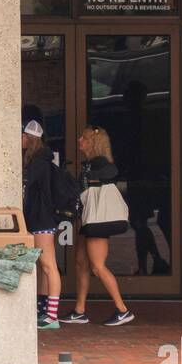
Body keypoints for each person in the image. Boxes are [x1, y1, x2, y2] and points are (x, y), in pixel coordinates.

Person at [61, 126, 134, 326]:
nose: (79, 140)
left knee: (97, 266)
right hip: (90, 218)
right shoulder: (89, 164)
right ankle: (79, 310)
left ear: (92, 142)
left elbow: (112, 172)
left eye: (83, 138)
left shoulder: (100, 163)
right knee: (81, 263)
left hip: (98, 220)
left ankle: (122, 309)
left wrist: (92, 176)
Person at [21, 121, 62, 329]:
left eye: (21, 136)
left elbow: (31, 194)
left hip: (42, 220)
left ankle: (52, 315)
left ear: (28, 138)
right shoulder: (40, 161)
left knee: (49, 265)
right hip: (40, 219)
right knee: (42, 266)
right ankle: (43, 309)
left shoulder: (38, 163)